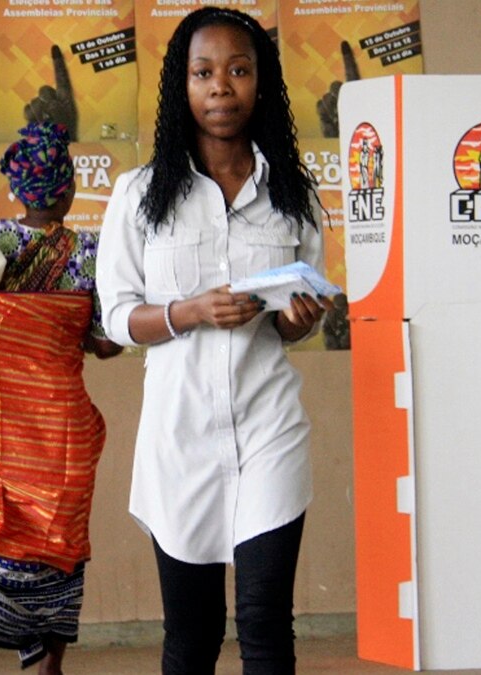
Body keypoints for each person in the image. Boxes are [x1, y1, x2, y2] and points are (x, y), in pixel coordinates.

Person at [94, 8, 333, 674]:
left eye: (238, 70)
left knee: (265, 621)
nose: (221, 87)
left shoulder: (295, 195)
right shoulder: (139, 195)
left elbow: (296, 318)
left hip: (268, 427)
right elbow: (117, 318)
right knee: (192, 633)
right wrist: (190, 311)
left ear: (261, 83)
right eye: (203, 73)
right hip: (181, 436)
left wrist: (299, 321)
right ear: (183, 86)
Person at [0, 121, 123, 675]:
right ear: (70, 187)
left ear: (15, 187)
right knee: (58, 543)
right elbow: (105, 344)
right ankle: (48, 663)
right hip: (57, 439)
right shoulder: (88, 252)